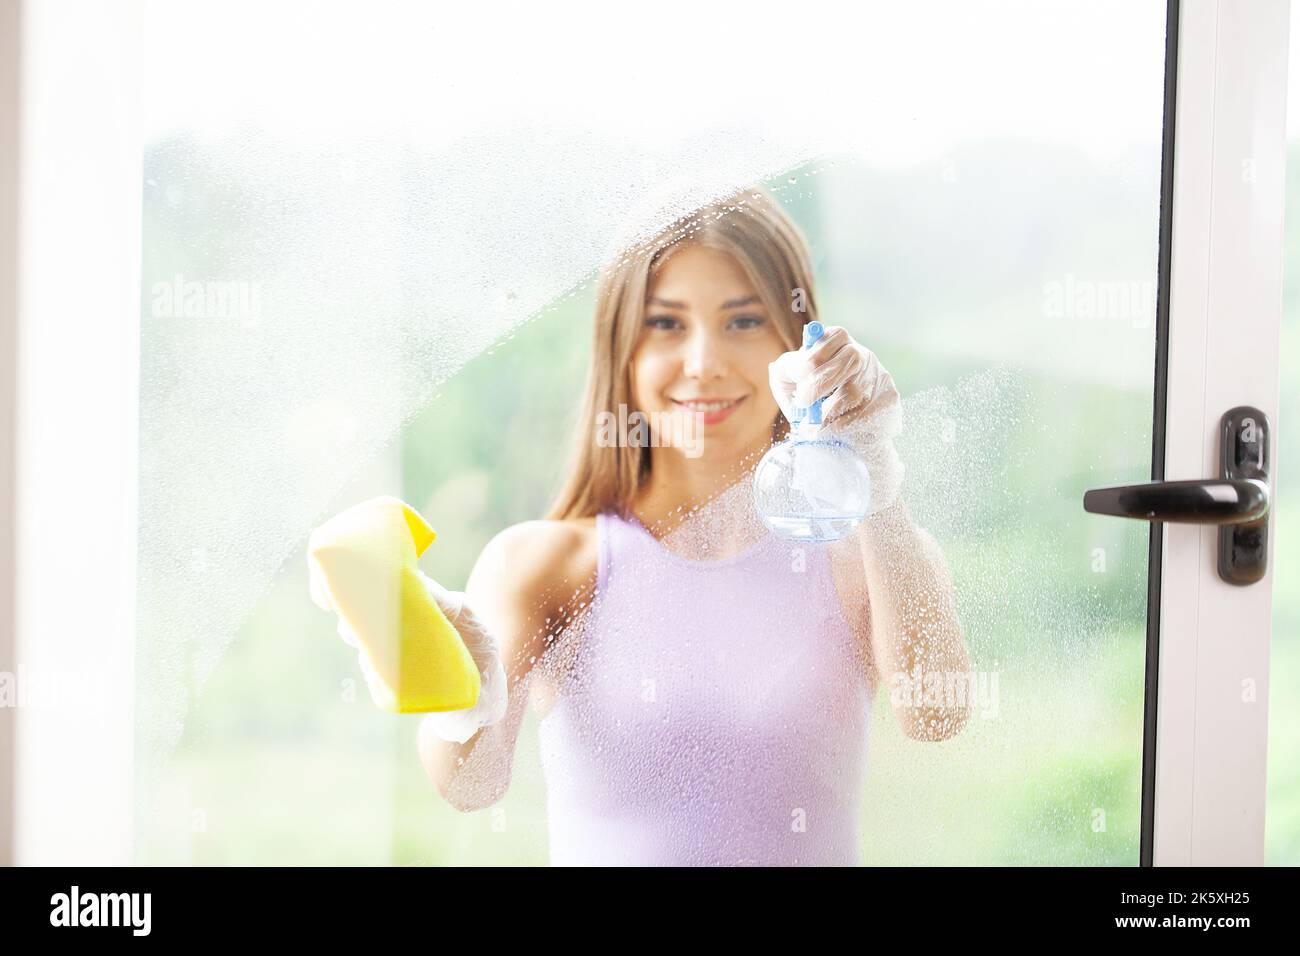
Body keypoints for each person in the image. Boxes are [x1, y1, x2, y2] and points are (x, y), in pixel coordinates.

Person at [416, 185, 970, 864]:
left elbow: (937, 713)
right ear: (619, 349)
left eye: (742, 321)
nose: (704, 362)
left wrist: (872, 475)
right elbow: (468, 785)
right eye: (667, 324)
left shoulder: (860, 555)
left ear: (798, 348)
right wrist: (455, 687)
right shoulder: (546, 564)